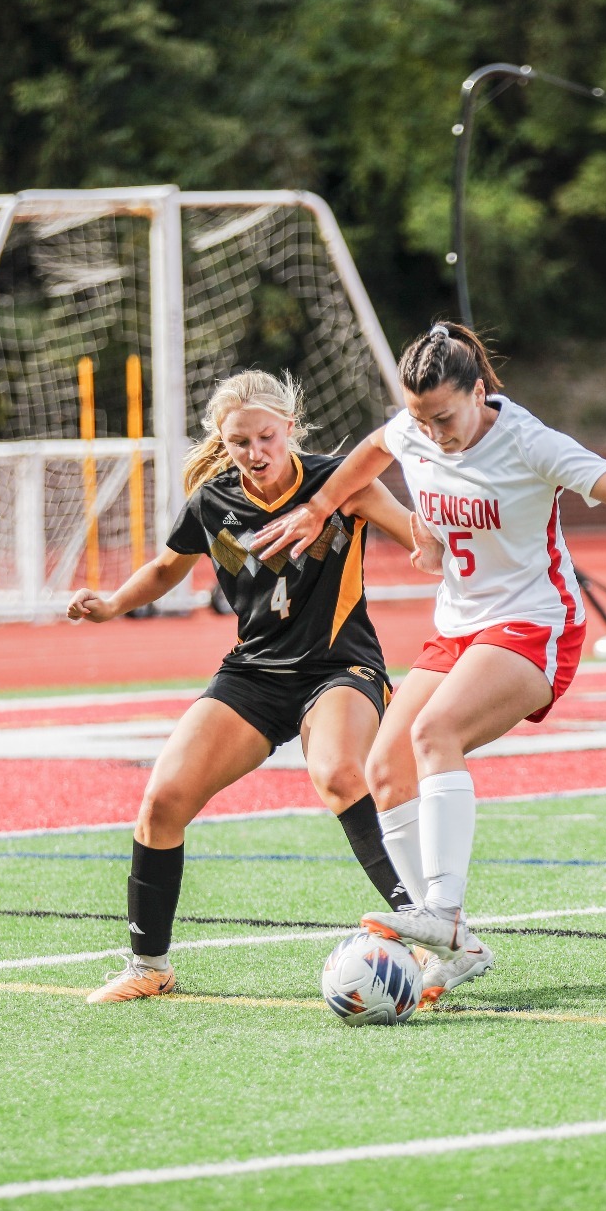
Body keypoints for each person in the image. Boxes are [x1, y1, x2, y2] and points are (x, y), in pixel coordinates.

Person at [254, 322, 606, 1007]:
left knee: (435, 731)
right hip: (459, 627)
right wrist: (320, 507)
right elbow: (374, 451)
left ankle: (441, 912)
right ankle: (458, 945)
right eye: (419, 417)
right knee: (382, 767)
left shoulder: (528, 443)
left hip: (535, 626)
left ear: (478, 392)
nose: (431, 433)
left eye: (443, 417)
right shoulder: (414, 427)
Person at [67, 370, 437, 1001]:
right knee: (162, 802)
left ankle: (434, 938)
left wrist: (450, 538)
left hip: (340, 666)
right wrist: (111, 604)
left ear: (290, 429)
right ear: (224, 441)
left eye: (267, 437)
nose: (256, 452)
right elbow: (166, 569)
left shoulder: (339, 482)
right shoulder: (213, 504)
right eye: (241, 442)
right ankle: (149, 966)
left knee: (340, 774)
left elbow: (421, 541)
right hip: (254, 673)